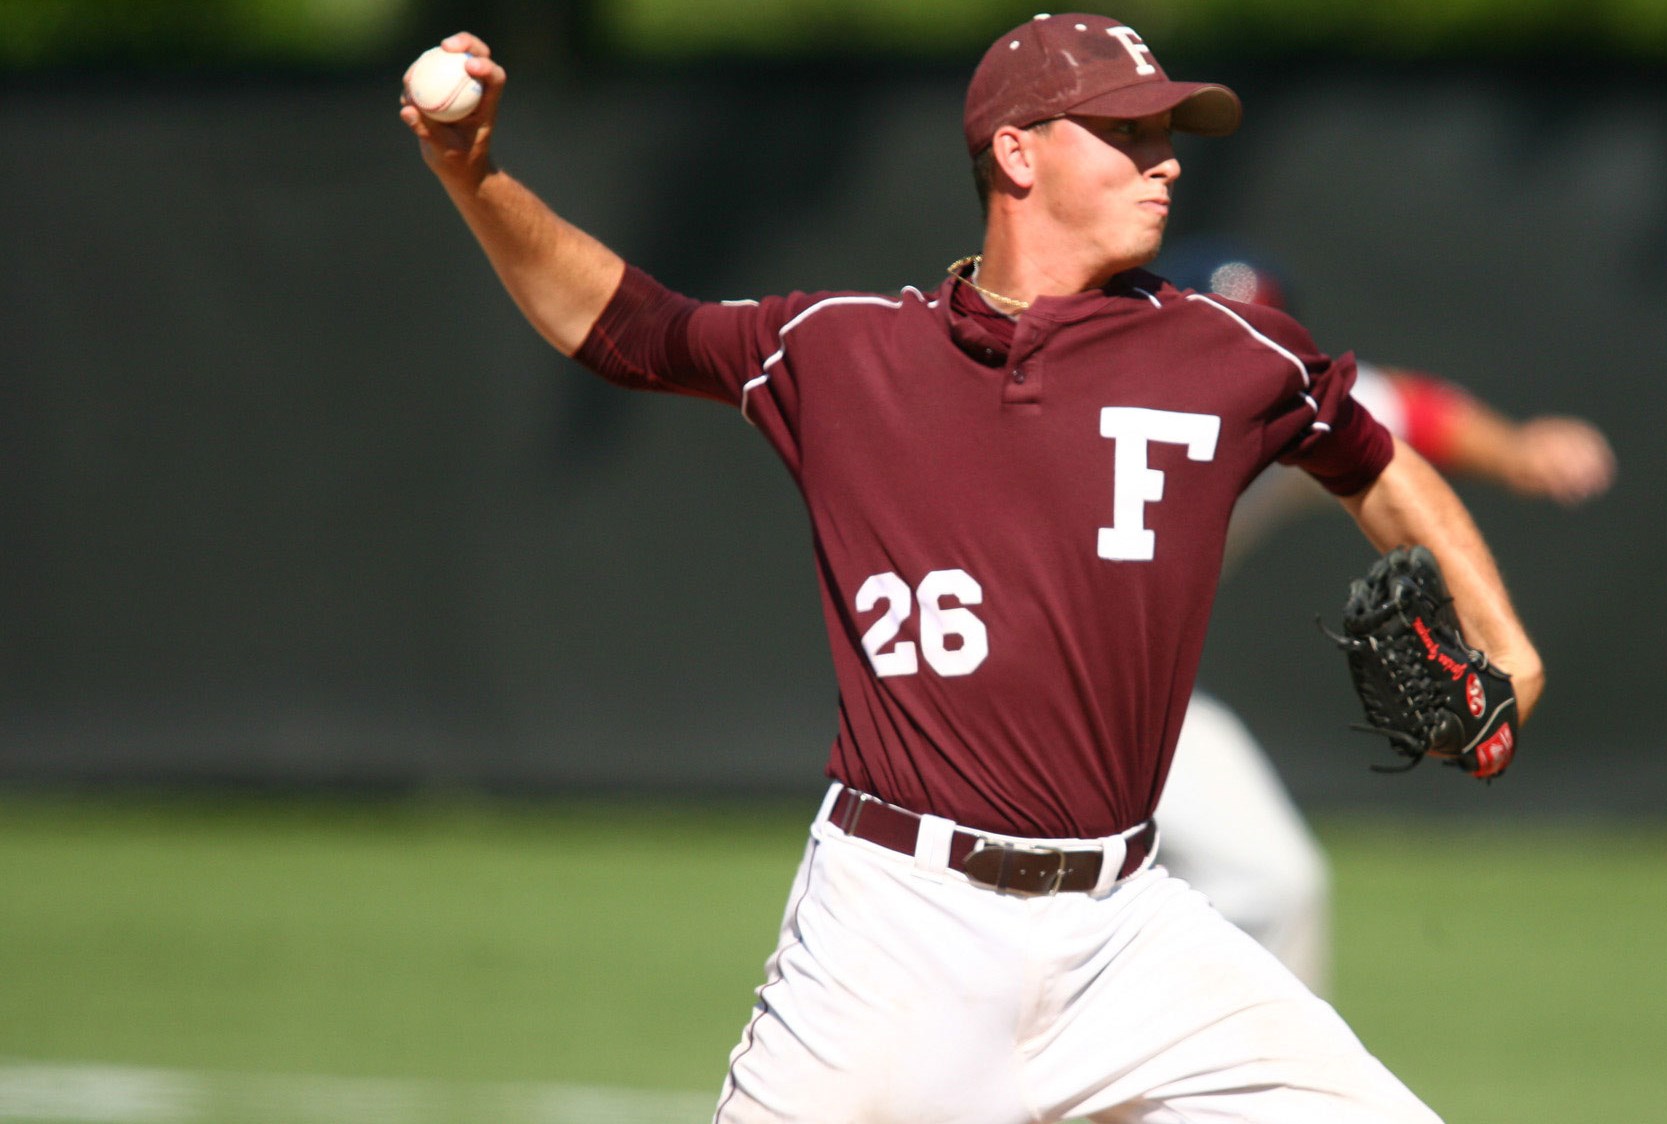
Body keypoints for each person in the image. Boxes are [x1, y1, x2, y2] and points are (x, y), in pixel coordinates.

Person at [401, 14, 1544, 1122]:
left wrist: (1505, 645)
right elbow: (624, 326)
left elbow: (1375, 456)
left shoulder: (1226, 352)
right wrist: (472, 172)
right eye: (1130, 135)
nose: (1166, 167)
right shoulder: (841, 348)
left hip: (1128, 936)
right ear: (1016, 150)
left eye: (1167, 138)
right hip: (894, 933)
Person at [1150, 251, 1614, 992]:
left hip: (1131, 700)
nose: (1231, 348)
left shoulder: (1287, 407)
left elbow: (1416, 413)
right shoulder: (1097, 393)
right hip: (990, 685)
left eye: (1252, 329)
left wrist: (1519, 452)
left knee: (1277, 885)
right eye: (1211, 325)